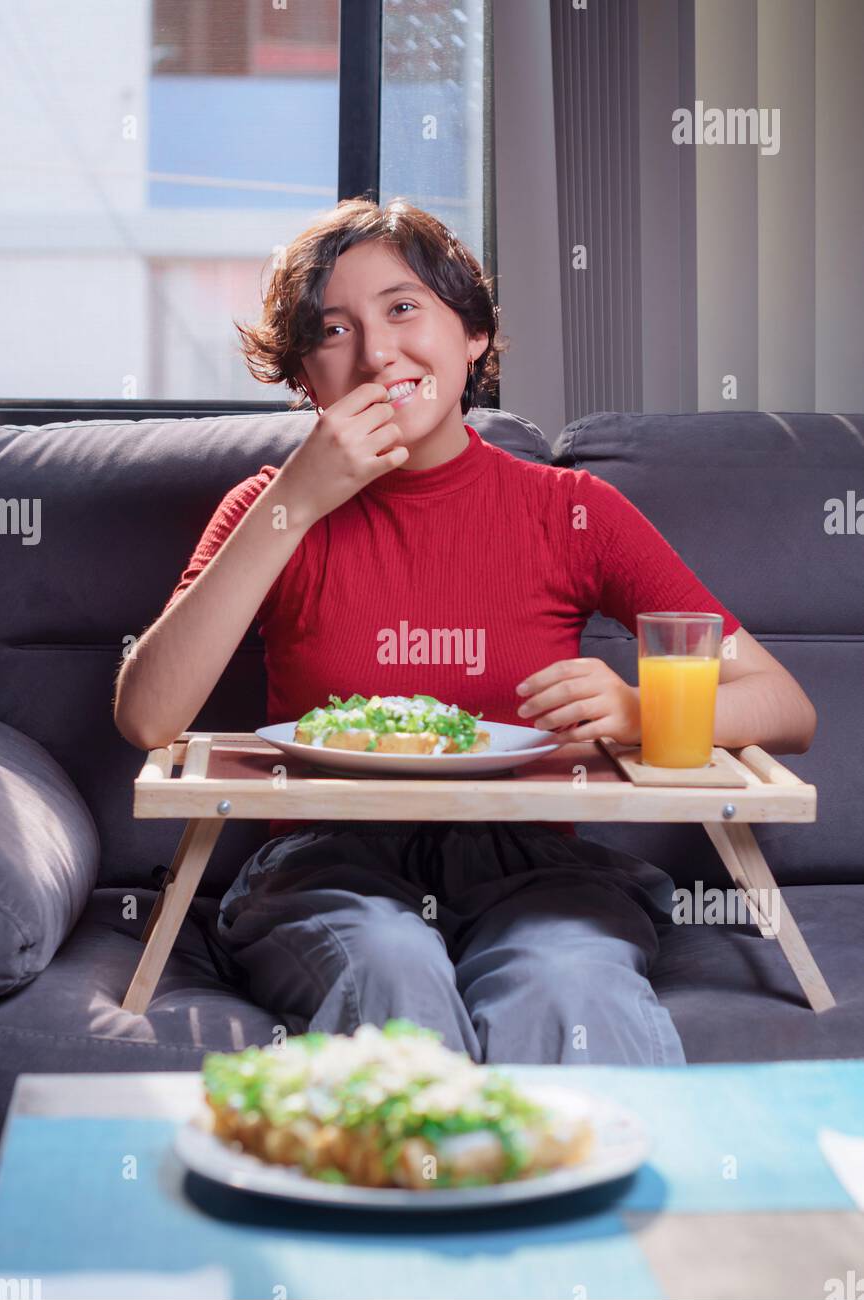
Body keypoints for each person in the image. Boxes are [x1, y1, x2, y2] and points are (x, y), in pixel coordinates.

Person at [113, 197, 817, 1067]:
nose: (376, 353)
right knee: (390, 965)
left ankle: (590, 1198)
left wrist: (643, 712)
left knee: (569, 983)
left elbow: (783, 704)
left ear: (473, 335)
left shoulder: (573, 512)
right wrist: (294, 500)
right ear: (306, 380)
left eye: (404, 308)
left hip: (532, 862)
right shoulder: (267, 508)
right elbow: (148, 717)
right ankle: (423, 1197)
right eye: (333, 331)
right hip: (326, 861)